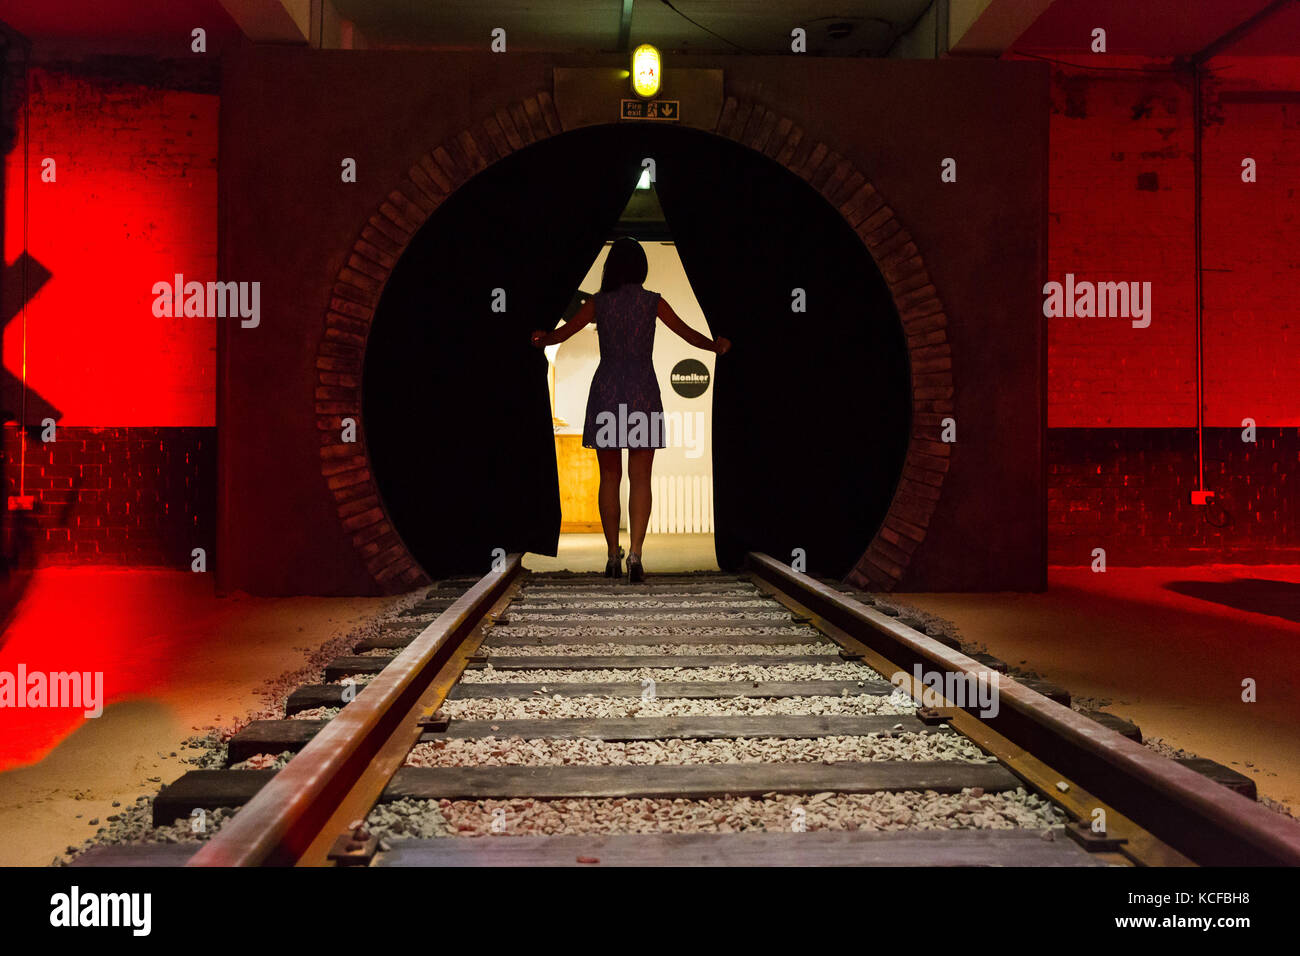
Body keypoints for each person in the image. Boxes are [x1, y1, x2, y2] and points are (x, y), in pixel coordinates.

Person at [531, 238, 730, 582]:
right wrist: (716, 346)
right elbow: (686, 334)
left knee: (610, 477)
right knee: (641, 477)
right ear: (641, 267)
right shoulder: (652, 302)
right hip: (642, 391)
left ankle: (612, 556)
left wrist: (539, 339)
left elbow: (560, 334)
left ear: (611, 268)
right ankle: (636, 555)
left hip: (607, 390)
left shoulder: (597, 303)